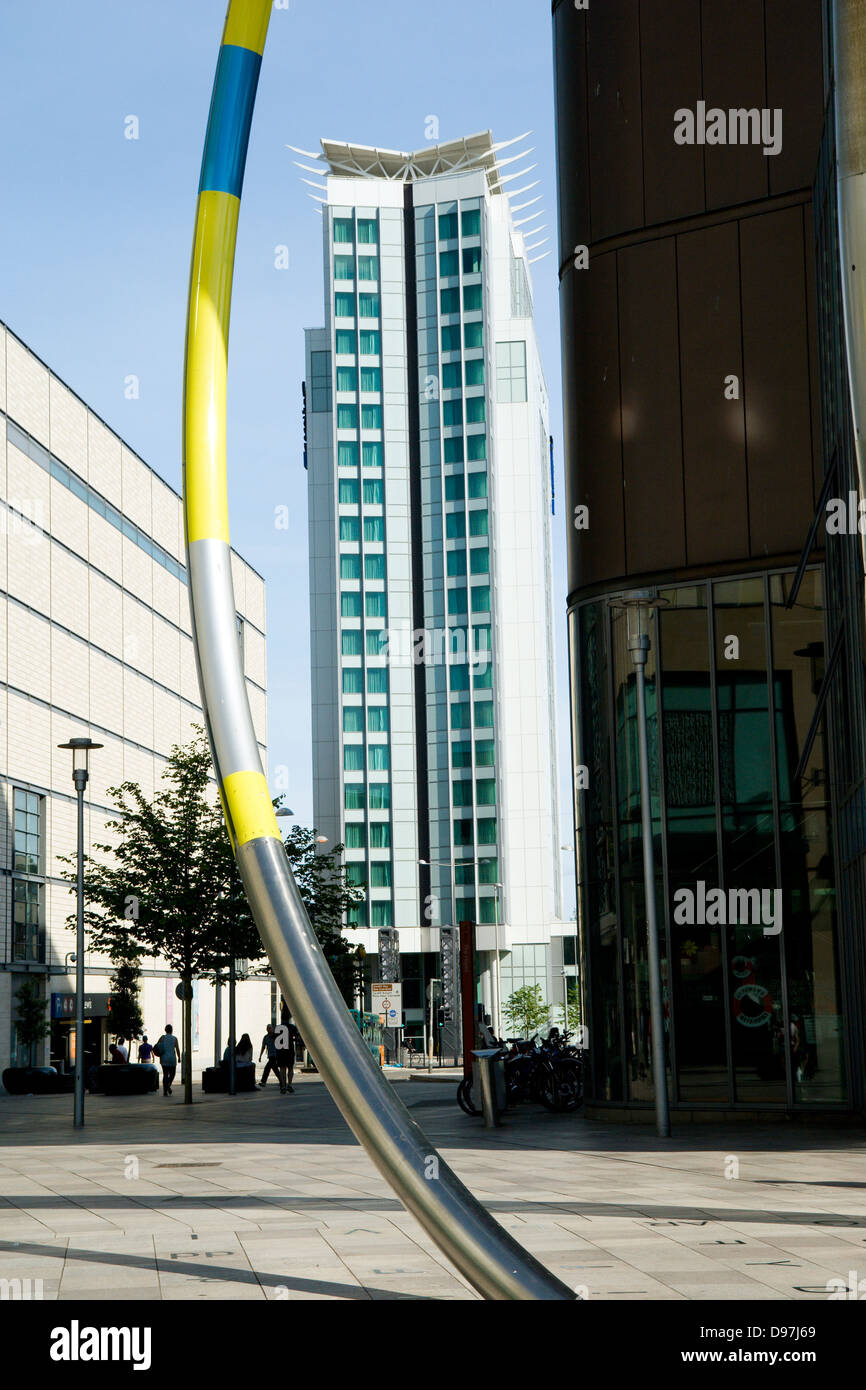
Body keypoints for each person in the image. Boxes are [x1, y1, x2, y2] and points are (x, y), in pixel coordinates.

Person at [153, 1024, 181, 1096]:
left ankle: (165, 1091)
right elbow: (177, 1049)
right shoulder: (175, 1038)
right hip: (172, 1059)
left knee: (165, 1074)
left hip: (164, 1059)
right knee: (172, 1074)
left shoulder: (162, 1038)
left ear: (165, 1030)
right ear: (172, 1030)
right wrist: (179, 1057)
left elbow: (157, 1046)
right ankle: (168, 1085)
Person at [258, 1023, 277, 1088]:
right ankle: (282, 1082)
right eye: (268, 1028)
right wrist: (260, 1056)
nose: (269, 1030)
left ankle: (263, 1081)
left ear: (272, 1029)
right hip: (270, 1055)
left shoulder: (276, 1036)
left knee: (268, 1068)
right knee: (274, 1069)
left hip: (275, 1055)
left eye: (270, 1028)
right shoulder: (266, 1037)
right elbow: (263, 1047)